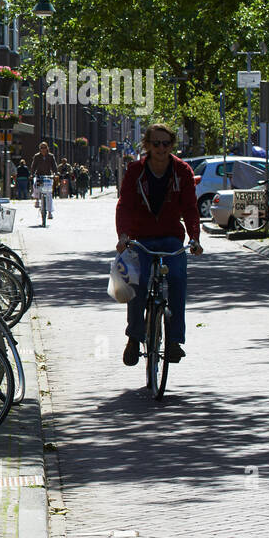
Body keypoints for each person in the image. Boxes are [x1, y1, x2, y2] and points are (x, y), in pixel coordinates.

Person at [115, 123, 203, 366]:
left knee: (176, 277)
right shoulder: (136, 171)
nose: (161, 148)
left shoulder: (182, 171)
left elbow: (190, 208)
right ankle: (134, 338)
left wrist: (194, 237)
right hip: (141, 238)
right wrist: (123, 235)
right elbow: (124, 205)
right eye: (156, 144)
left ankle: (174, 341)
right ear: (147, 145)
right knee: (137, 281)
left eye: (166, 144)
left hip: (170, 238)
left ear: (172, 145)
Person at [28, 142, 58, 218]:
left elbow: (54, 166)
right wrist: (32, 174)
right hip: (39, 176)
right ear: (40, 149)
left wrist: (55, 173)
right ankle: (37, 200)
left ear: (47, 148)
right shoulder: (37, 156)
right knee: (36, 186)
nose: (43, 149)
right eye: (42, 148)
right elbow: (33, 166)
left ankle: (50, 212)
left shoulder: (51, 156)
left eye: (44, 147)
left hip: (48, 176)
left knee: (49, 195)